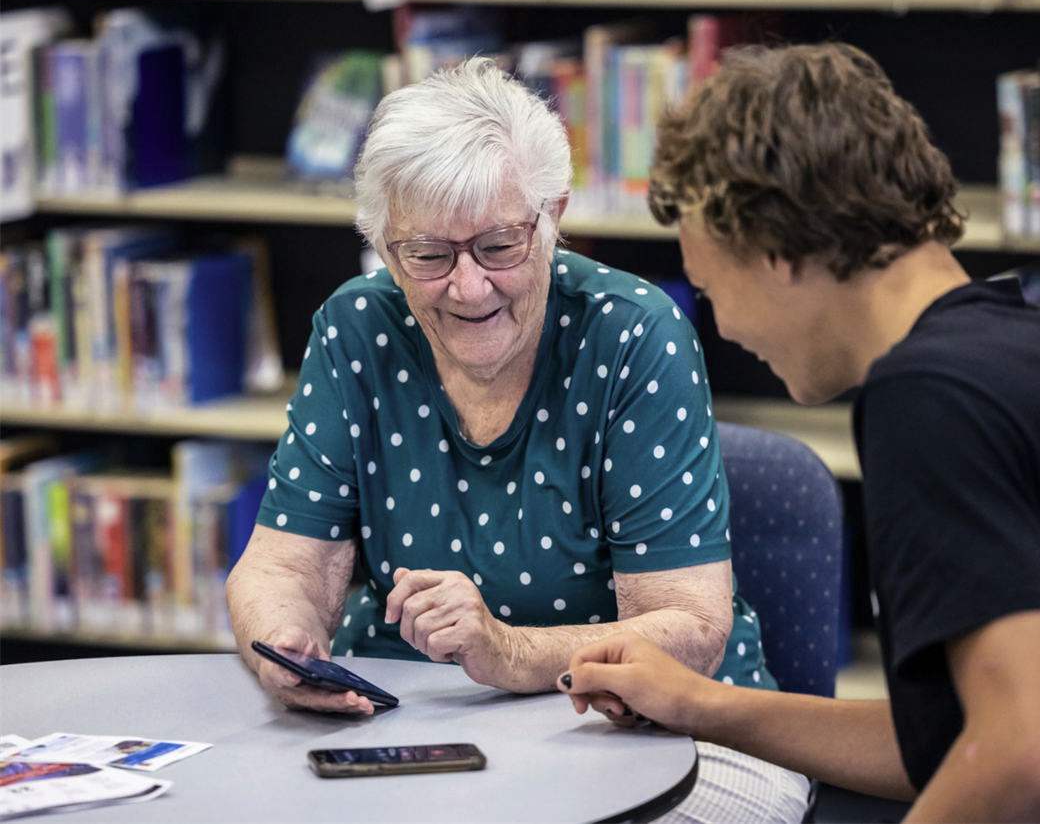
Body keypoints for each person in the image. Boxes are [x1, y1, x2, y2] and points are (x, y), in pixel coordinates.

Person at [556, 42, 1040, 824]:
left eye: (712, 290)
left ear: (776, 251)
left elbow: (1032, 757)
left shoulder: (927, 400)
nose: (722, 328)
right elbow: (967, 742)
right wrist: (704, 704)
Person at [225, 58, 811, 822]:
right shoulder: (356, 329)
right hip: (419, 718)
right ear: (383, 245)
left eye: (500, 246)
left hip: (656, 728)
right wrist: (284, 643)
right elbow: (281, 565)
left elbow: (688, 631)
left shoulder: (633, 336)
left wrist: (506, 651)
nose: (469, 287)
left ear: (553, 216)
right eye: (428, 255)